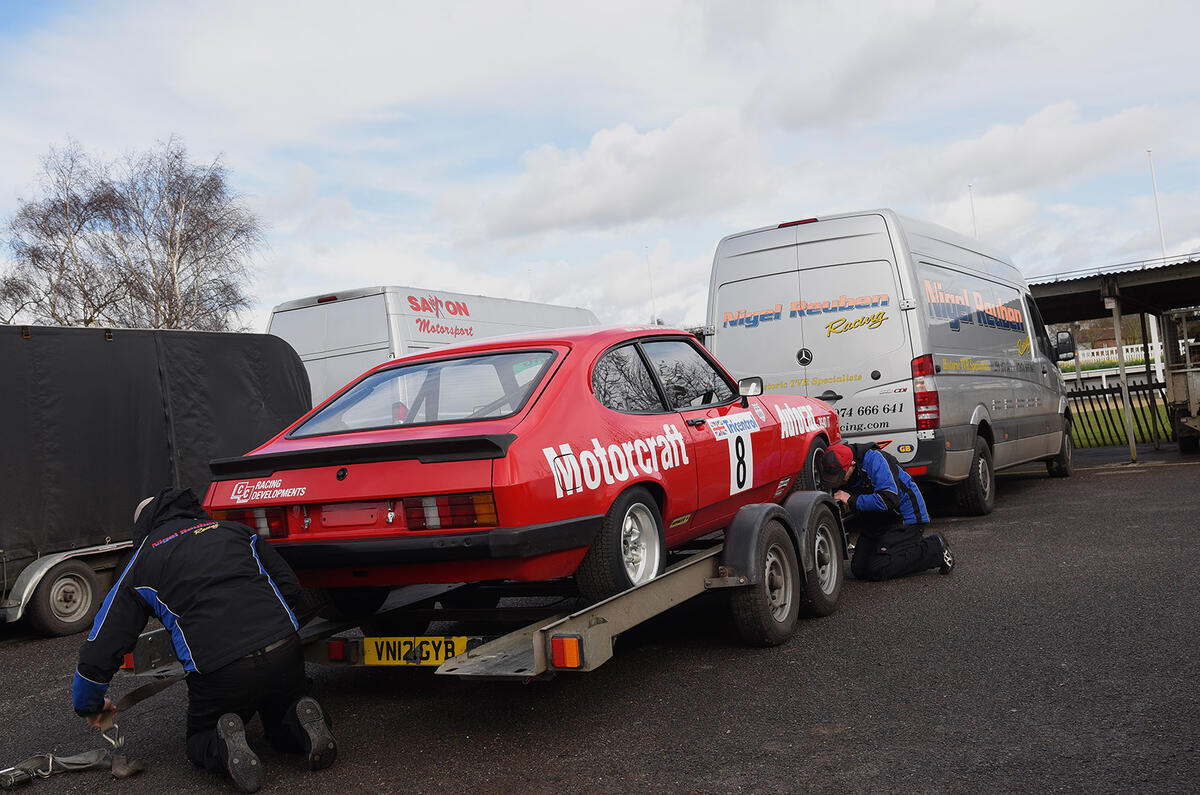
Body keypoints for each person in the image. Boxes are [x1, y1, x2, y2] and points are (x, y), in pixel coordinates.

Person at [72, 487, 335, 793]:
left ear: (144, 525)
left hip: (220, 669)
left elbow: (103, 642)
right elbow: (289, 587)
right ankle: (300, 723)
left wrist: (89, 705)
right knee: (281, 715)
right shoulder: (236, 532)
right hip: (283, 649)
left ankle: (222, 741)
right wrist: (277, 632)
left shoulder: (143, 561)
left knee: (199, 740)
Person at [820, 442, 955, 581]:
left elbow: (889, 499)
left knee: (878, 568)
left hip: (905, 518)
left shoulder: (875, 460)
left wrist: (851, 500)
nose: (839, 481)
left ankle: (936, 548)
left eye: (841, 475)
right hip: (879, 522)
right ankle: (904, 546)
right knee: (859, 569)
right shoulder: (845, 466)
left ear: (852, 464)